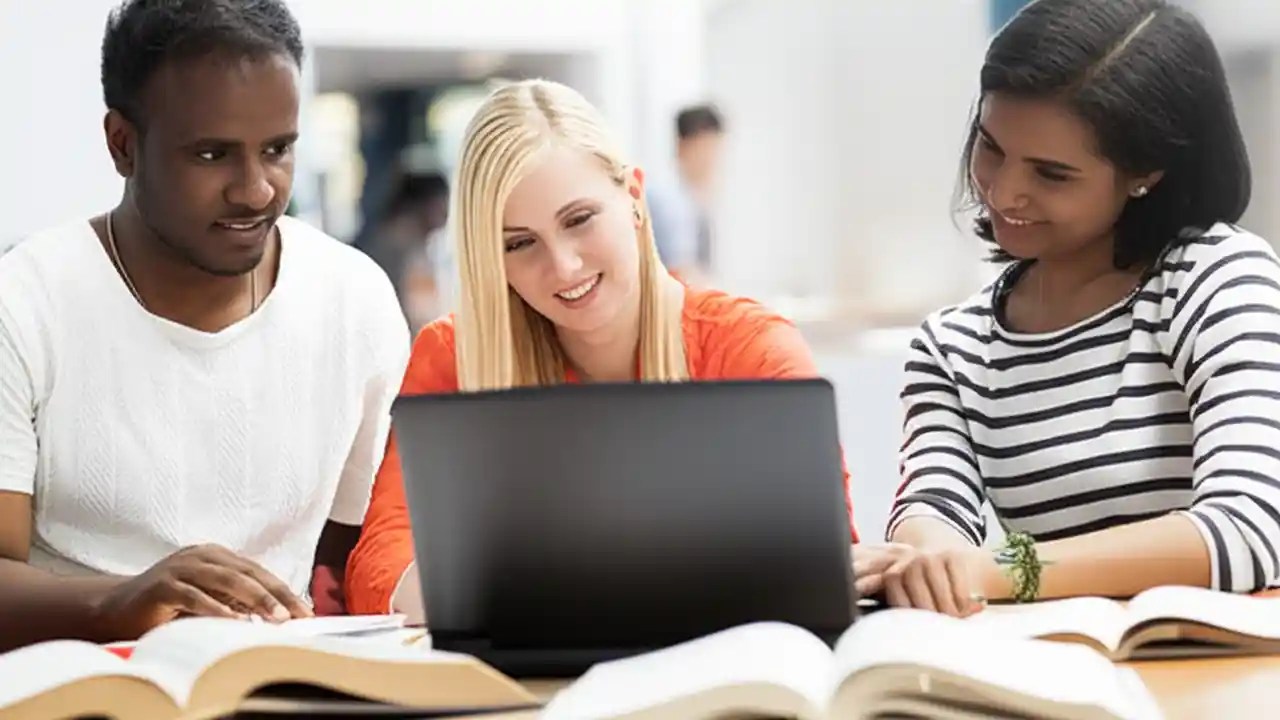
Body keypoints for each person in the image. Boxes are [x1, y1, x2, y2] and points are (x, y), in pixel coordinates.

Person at [344, 80, 856, 620]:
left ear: (633, 198)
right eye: (519, 243)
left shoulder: (751, 349)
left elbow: (825, 556)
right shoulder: (453, 356)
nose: (563, 267)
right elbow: (382, 559)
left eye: (579, 219)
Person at [0, 0, 408, 650]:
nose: (256, 190)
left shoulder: (353, 301)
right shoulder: (24, 303)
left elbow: (347, 563)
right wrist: (123, 601)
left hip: (277, 685)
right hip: (76, 690)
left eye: (277, 150)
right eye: (213, 155)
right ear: (122, 145)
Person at [855, 0, 1280, 617]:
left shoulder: (1215, 279)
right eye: (991, 147)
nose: (1002, 191)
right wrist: (931, 563)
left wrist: (999, 569)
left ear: (1146, 173)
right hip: (1070, 676)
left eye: (1051, 174)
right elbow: (931, 512)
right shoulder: (955, 346)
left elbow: (1248, 530)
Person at [353, 169, 451, 328]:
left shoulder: (395, 243)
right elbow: (422, 317)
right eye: (442, 203)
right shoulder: (399, 249)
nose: (446, 212)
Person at [646, 104, 725, 285]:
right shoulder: (669, 201)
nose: (712, 161)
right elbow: (684, 274)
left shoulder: (692, 200)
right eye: (704, 149)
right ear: (682, 146)